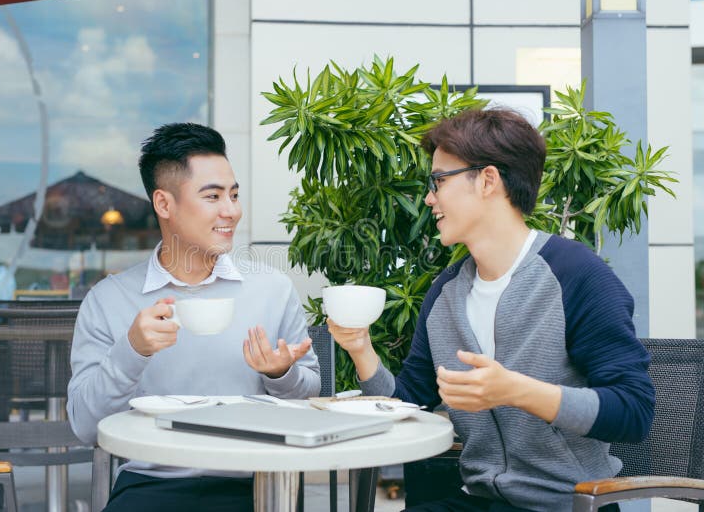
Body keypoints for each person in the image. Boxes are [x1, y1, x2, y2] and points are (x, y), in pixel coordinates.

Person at [328, 109, 655, 512]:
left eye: (438, 181)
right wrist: (360, 349)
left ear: (487, 180)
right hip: (480, 500)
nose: (429, 197)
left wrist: (516, 391)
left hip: (569, 505)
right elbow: (408, 401)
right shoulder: (446, 292)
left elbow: (633, 411)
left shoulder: (577, 276)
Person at [67, 123, 320, 512]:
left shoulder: (272, 288)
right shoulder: (109, 300)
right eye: (212, 196)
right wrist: (131, 350)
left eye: (234, 195)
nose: (231, 211)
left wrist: (280, 374)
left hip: (256, 484)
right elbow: (85, 427)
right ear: (164, 204)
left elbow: (309, 398)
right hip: (151, 485)